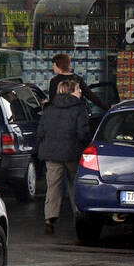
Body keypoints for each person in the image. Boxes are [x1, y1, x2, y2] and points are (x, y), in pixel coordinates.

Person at [37, 78, 90, 235]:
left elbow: (40, 132)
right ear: (71, 90)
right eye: (78, 89)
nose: (81, 91)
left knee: (53, 186)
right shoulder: (80, 108)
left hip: (51, 153)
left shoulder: (49, 108)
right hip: (73, 153)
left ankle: (50, 218)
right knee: (75, 185)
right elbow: (83, 133)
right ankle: (78, 215)